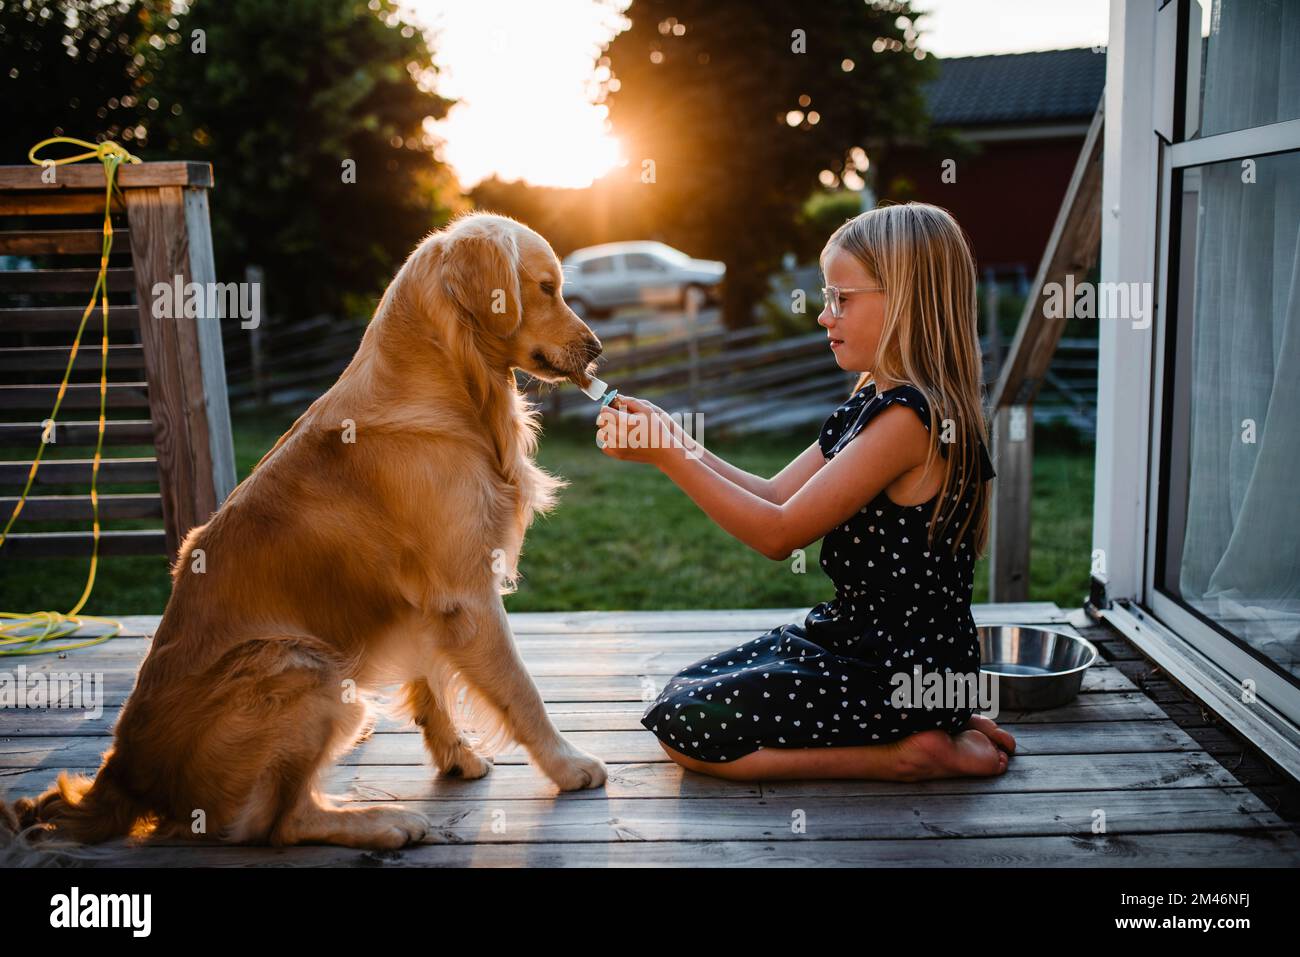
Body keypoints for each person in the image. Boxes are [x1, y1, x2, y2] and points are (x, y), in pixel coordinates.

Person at [593, 202, 1016, 782]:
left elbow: (778, 535)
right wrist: (673, 436)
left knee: (688, 728)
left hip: (894, 670)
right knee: (686, 689)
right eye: (826, 298)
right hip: (859, 643)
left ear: (907, 301)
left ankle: (904, 755)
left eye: (842, 299)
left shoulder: (909, 421)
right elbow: (773, 495)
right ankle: (945, 723)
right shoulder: (871, 404)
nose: (824, 316)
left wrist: (668, 456)